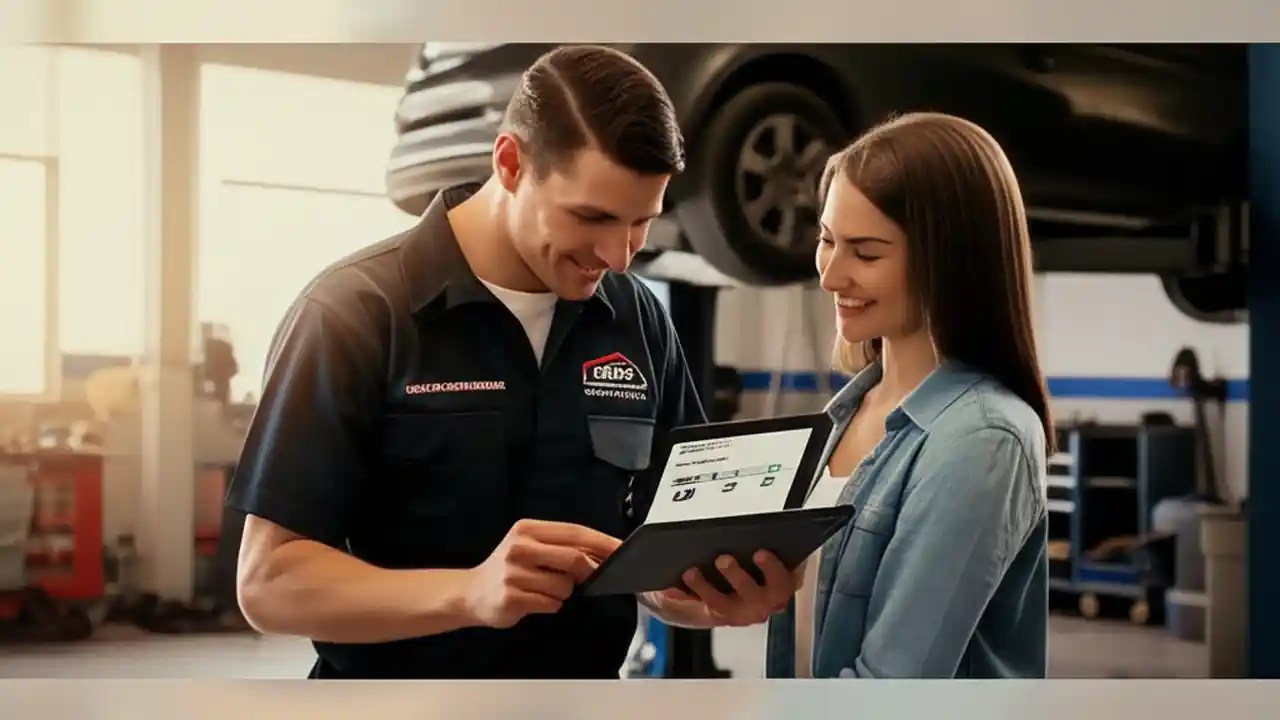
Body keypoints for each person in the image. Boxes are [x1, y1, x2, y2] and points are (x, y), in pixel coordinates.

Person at [226, 44, 789, 680]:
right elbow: (268, 581)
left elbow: (659, 569)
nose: (619, 255)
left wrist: (713, 595)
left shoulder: (637, 319)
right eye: (592, 217)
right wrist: (469, 593)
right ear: (511, 162)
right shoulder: (354, 313)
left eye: (641, 223)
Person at [664, 111, 1053, 678]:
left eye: (866, 253)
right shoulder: (844, 414)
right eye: (827, 240)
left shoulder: (981, 441)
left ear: (950, 262)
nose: (829, 276)